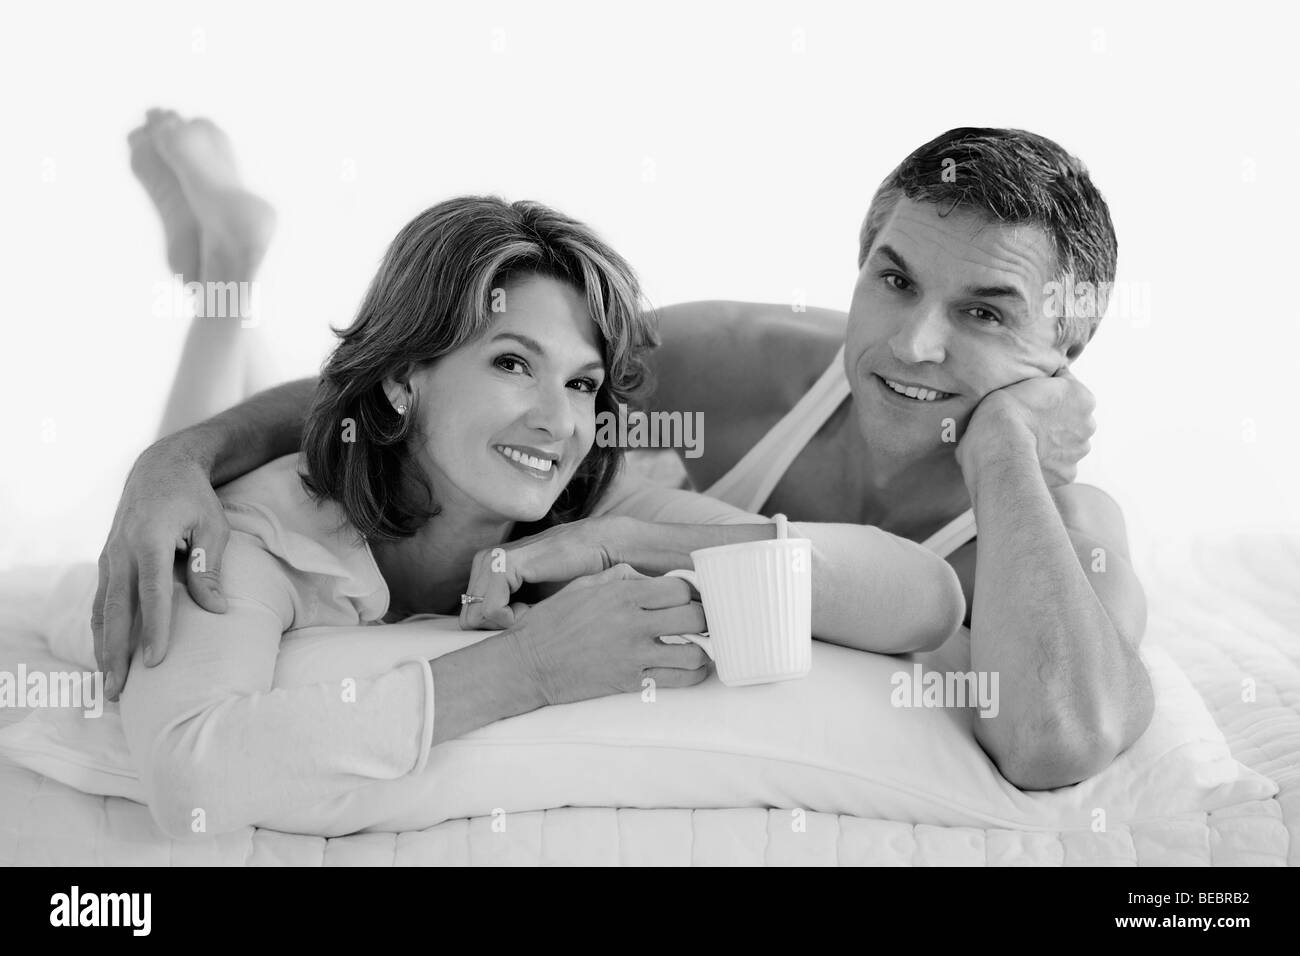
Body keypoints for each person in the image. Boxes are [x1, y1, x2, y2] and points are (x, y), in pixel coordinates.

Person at [97, 111, 965, 836]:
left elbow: (924, 599)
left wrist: (622, 539)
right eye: (513, 363)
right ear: (405, 376)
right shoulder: (257, 528)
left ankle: (226, 274)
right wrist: (529, 669)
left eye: (582, 383)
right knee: (174, 455)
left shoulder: (599, 498)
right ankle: (225, 280)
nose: (558, 421)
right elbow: (195, 777)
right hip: (275, 481)